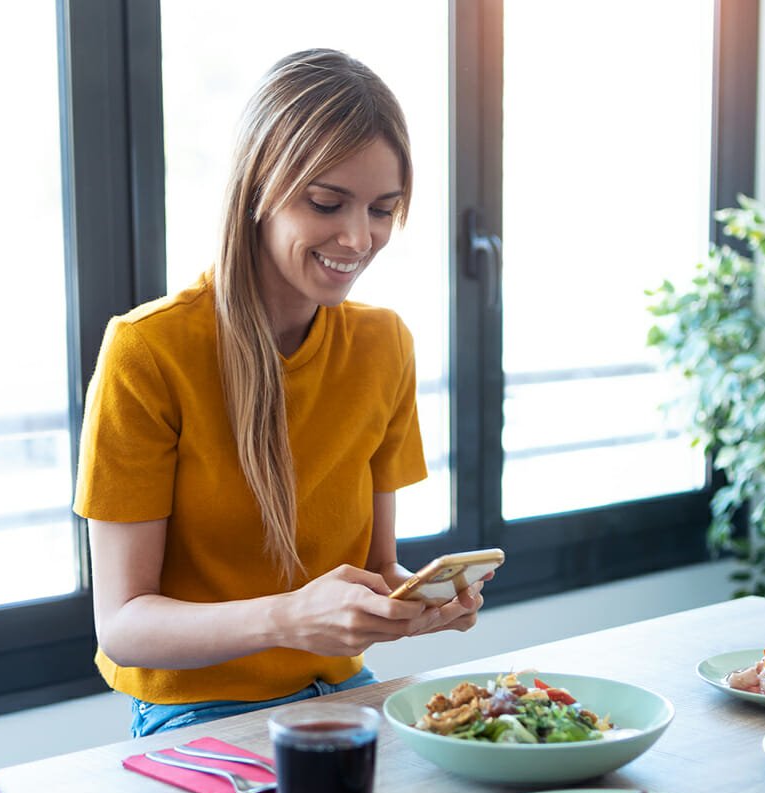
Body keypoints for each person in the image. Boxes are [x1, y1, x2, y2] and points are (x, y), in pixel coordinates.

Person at [73, 47, 489, 737]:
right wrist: (289, 616)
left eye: (383, 210)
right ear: (259, 189)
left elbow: (378, 568)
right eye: (326, 203)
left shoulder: (383, 345)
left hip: (344, 694)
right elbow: (123, 625)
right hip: (196, 714)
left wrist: (417, 606)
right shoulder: (147, 352)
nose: (358, 238)